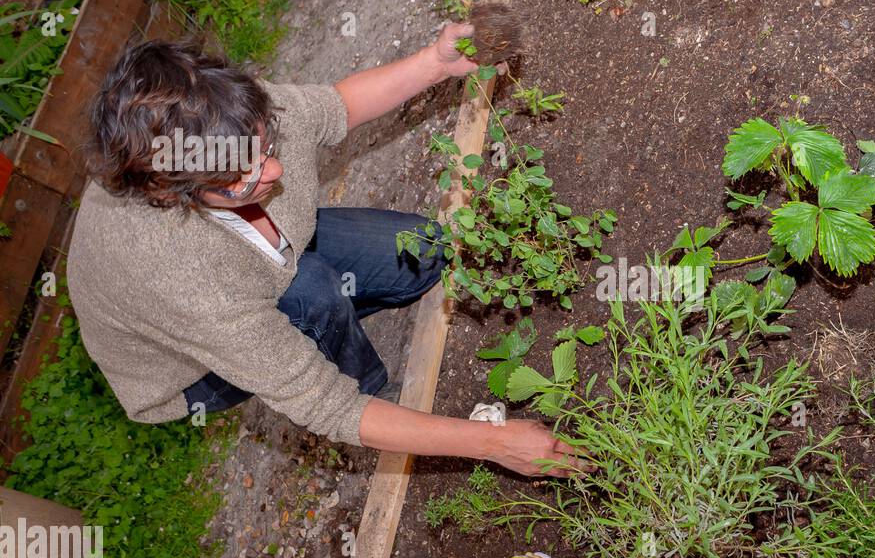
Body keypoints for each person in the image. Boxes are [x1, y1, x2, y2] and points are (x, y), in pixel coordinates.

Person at [66, 25, 582, 478]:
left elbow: (336, 106)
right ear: (172, 191)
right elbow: (326, 407)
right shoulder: (187, 283)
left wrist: (436, 63)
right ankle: (371, 384)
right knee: (313, 293)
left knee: (423, 254)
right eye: (237, 180)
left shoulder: (220, 115)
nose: (271, 172)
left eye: (265, 149)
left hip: (258, 263)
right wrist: (494, 444)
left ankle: (326, 308)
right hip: (188, 367)